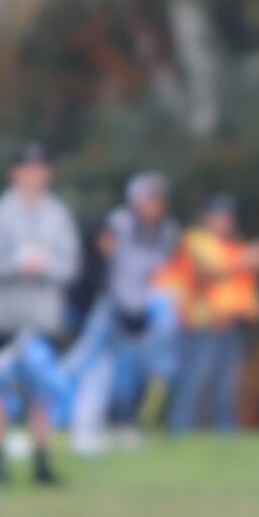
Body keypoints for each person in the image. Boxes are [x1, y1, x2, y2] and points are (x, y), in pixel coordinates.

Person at [0, 142, 78, 485]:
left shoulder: (58, 214)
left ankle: (42, 460)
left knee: (42, 390)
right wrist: (16, 263)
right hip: (6, 316)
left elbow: (71, 266)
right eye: (27, 168)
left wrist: (44, 265)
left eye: (40, 168)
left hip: (45, 317)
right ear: (14, 173)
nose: (34, 175)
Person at [155, 194, 259, 433]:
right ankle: (180, 431)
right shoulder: (196, 240)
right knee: (193, 381)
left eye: (227, 218)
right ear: (206, 218)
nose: (224, 222)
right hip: (200, 322)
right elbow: (211, 269)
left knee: (226, 387)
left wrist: (249, 259)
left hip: (231, 325)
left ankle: (225, 434)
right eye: (218, 217)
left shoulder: (235, 246)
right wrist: (248, 258)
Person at [95, 171, 180, 445]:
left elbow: (165, 271)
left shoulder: (168, 231)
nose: (153, 206)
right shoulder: (118, 224)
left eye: (157, 200)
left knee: (151, 370)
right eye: (147, 199)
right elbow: (102, 260)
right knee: (119, 373)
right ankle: (112, 421)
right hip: (118, 307)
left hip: (148, 310)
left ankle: (135, 423)